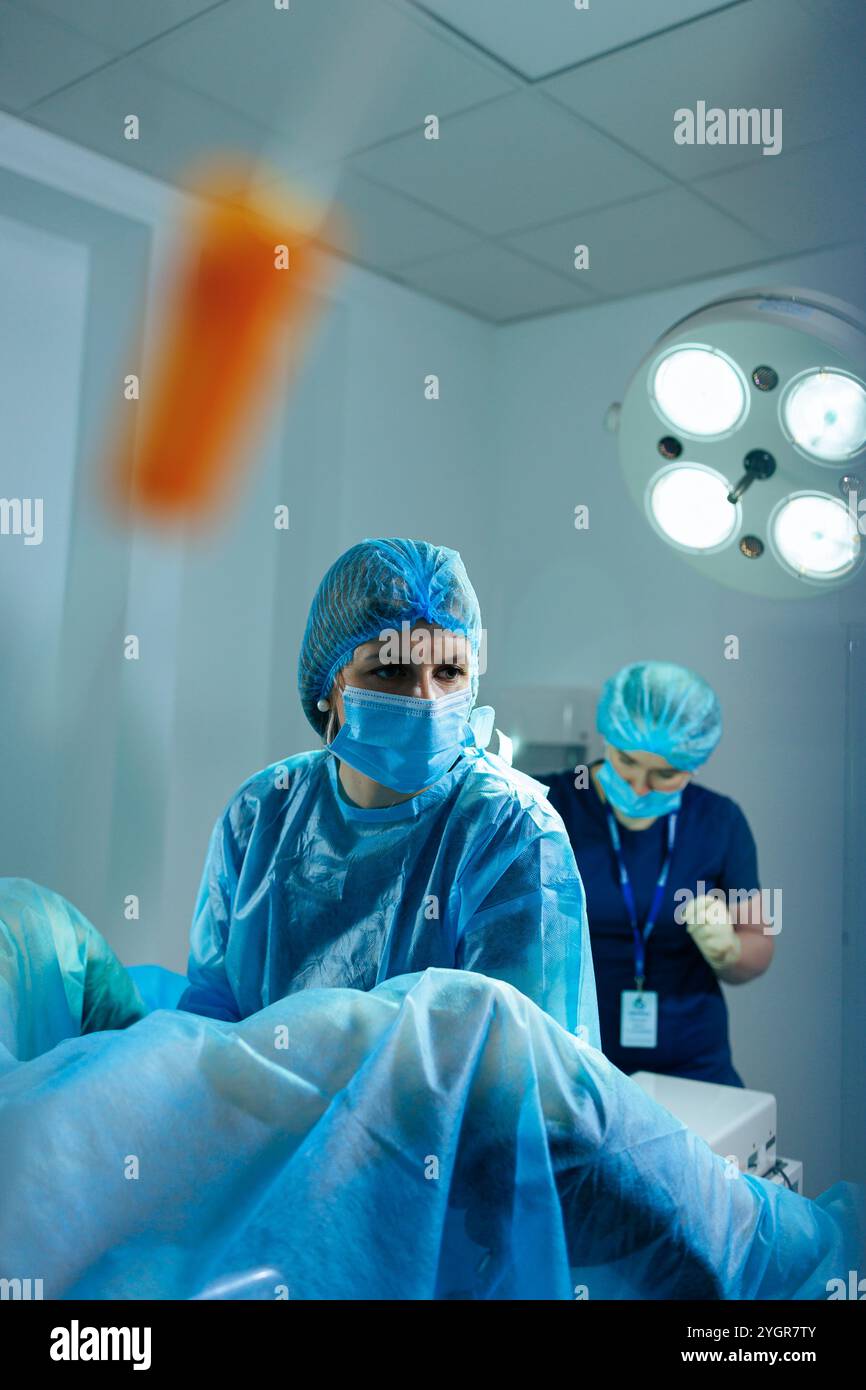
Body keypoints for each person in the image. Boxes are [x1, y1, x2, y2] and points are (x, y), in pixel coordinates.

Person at [177, 537, 600, 1044]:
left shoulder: (509, 828)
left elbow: (519, 1063)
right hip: (261, 1121)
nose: (426, 697)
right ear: (327, 688)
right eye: (391, 670)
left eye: (449, 671)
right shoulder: (263, 811)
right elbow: (210, 1014)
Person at [541, 661, 773, 1087]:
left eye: (665, 773)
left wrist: (731, 952)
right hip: (574, 1065)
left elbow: (760, 943)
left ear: (694, 764)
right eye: (626, 761)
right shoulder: (548, 805)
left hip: (692, 1065)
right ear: (607, 737)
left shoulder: (720, 821)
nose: (639, 786)